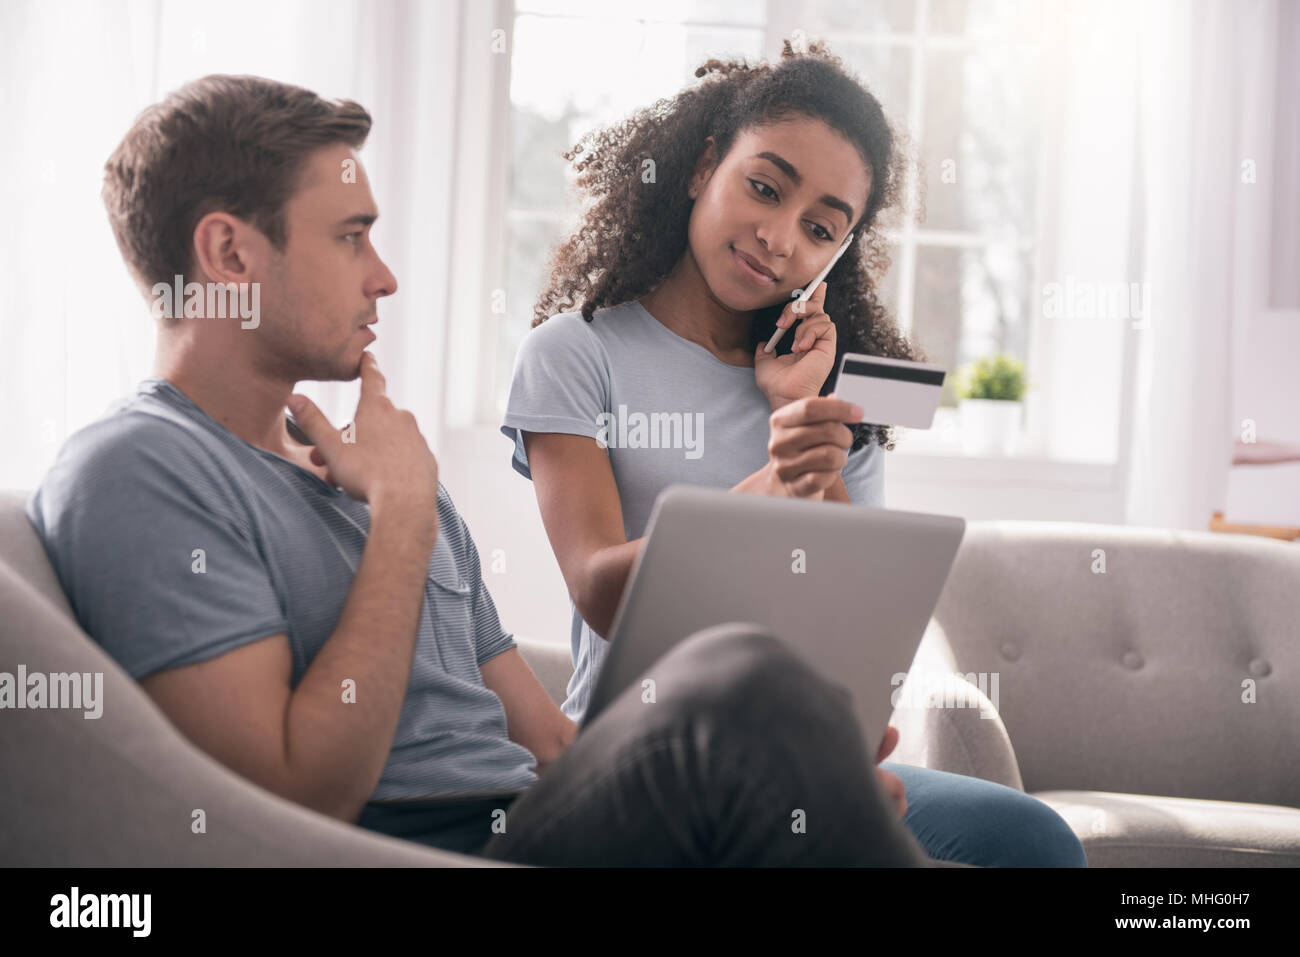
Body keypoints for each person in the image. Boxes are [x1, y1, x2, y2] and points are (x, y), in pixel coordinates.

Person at [26, 73, 940, 867]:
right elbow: (296, 799)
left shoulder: (375, 467)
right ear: (228, 253)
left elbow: (547, 740)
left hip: (530, 821)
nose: (384, 276)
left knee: (777, 719)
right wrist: (403, 515)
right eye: (350, 237)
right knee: (744, 684)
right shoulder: (140, 467)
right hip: (426, 847)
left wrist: (782, 768)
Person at [501, 41, 1086, 868]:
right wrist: (775, 481)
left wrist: (801, 415)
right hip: (641, 752)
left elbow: (854, 616)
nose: (779, 239)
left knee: (1028, 837)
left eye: (819, 228)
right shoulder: (575, 353)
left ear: (837, 256)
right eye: (764, 188)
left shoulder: (839, 396)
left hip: (807, 749)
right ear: (706, 165)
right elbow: (600, 590)